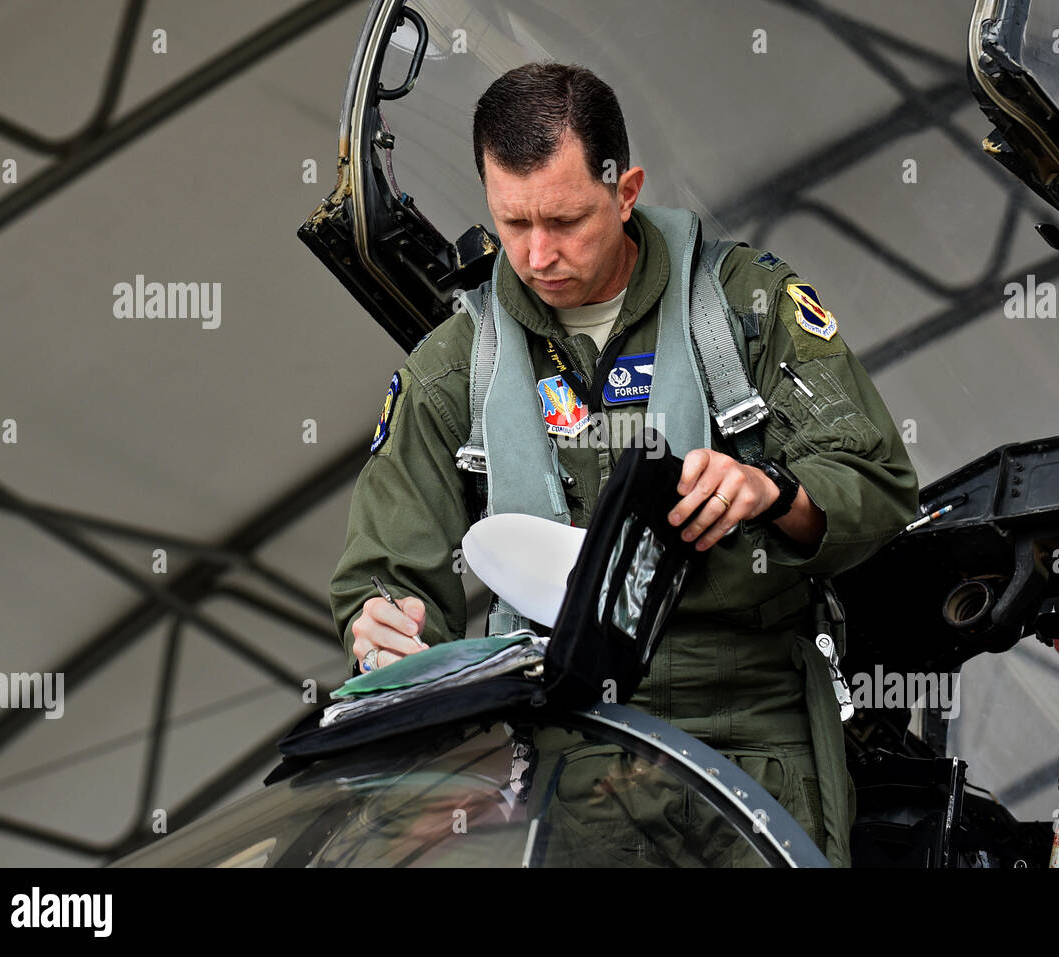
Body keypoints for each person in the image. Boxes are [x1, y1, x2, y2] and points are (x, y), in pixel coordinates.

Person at [329, 62, 918, 866]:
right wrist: (384, 625)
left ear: (626, 189)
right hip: (568, 755)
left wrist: (771, 490)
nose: (538, 253)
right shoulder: (456, 368)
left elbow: (879, 486)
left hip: (751, 732)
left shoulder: (743, 312)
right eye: (514, 222)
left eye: (567, 219)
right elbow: (388, 573)